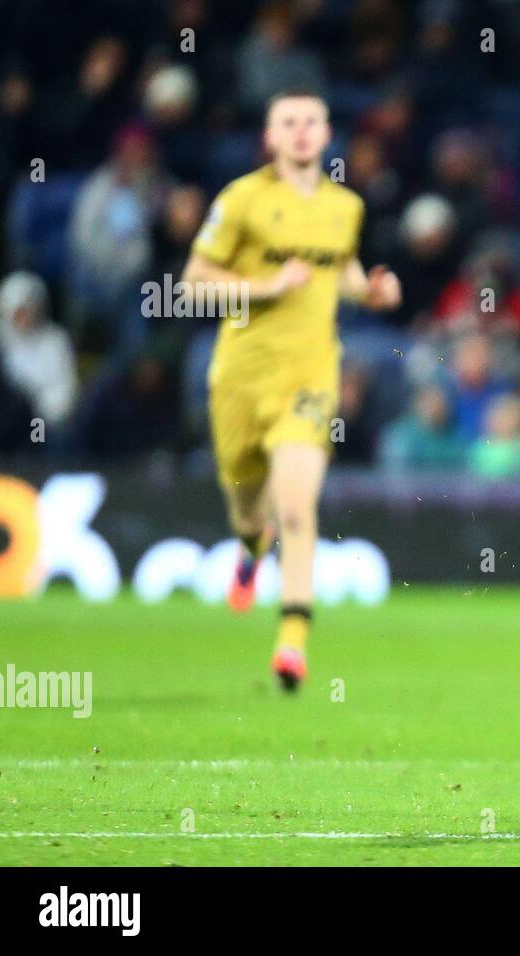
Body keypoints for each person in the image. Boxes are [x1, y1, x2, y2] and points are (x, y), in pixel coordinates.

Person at [182, 90, 401, 690]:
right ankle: (251, 550)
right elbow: (193, 285)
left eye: (311, 121)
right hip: (241, 378)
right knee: (249, 510)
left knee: (298, 504)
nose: (302, 132)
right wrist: (266, 285)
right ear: (270, 137)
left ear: (327, 133)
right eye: (289, 123)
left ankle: (292, 641)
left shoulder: (345, 207)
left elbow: (342, 273)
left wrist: (371, 290)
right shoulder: (242, 199)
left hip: (309, 378)